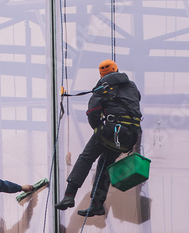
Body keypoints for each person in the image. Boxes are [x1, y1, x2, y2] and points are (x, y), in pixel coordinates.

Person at [55, 59, 143, 217]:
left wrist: (98, 128)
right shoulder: (132, 86)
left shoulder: (102, 86)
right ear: (116, 69)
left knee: (86, 157)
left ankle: (69, 196)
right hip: (130, 136)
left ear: (101, 74)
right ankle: (97, 204)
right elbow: (135, 101)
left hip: (111, 132)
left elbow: (93, 111)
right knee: (105, 162)